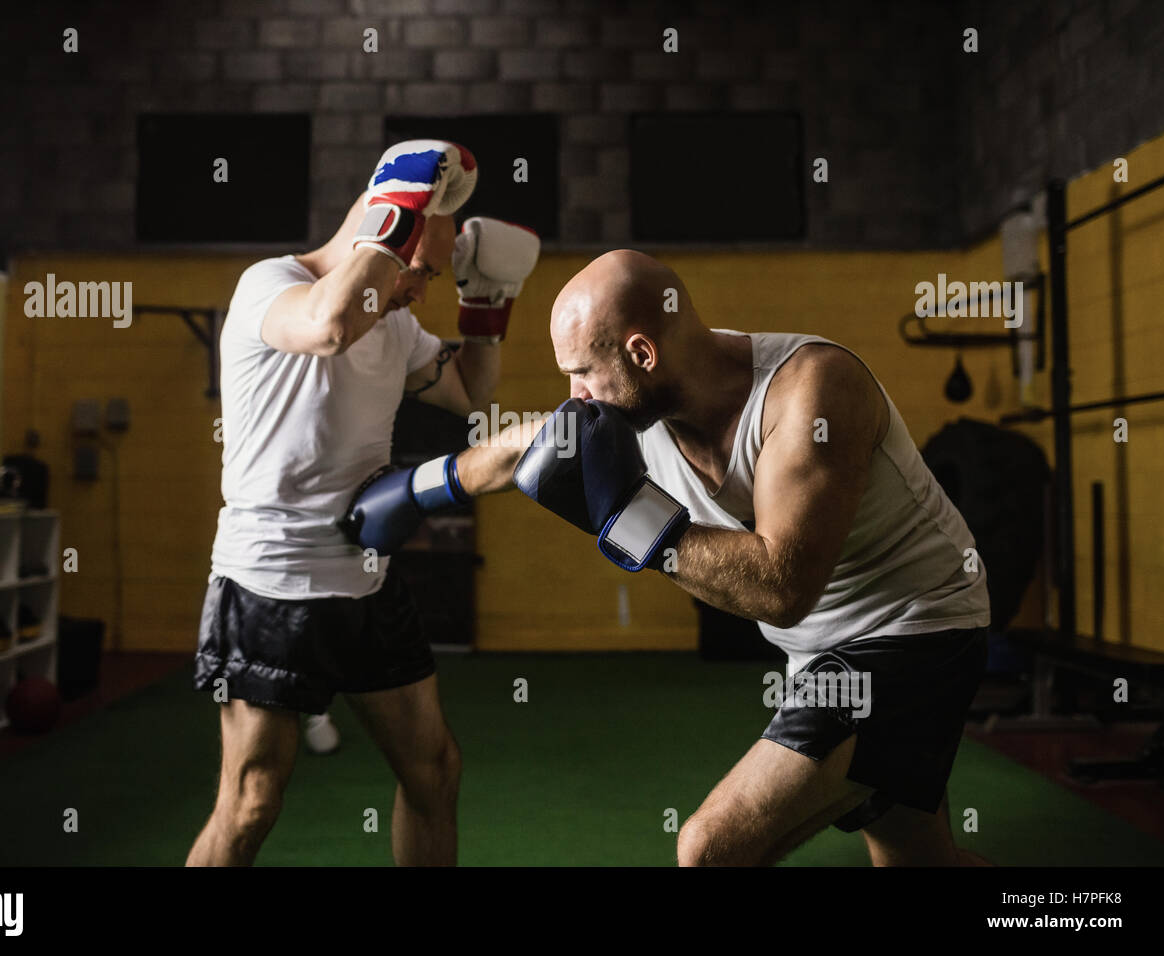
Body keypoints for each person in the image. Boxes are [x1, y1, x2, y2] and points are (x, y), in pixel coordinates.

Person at [355, 248, 991, 866]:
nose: (573, 396)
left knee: (710, 850)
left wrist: (627, 521)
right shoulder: (630, 406)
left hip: (917, 633)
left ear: (641, 353)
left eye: (580, 372)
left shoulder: (809, 393)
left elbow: (783, 591)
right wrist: (413, 492)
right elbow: (515, 450)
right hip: (824, 652)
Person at [188, 140, 540, 866]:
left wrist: (486, 306)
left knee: (434, 772)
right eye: (415, 272)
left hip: (367, 580)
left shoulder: (396, 326)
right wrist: (399, 206)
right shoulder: (271, 287)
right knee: (250, 804)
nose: (419, 292)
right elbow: (326, 326)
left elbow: (472, 393)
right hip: (269, 584)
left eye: (435, 278)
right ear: (374, 233)